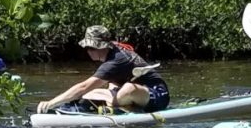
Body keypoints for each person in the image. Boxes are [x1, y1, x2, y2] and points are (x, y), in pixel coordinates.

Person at [36, 25, 171, 115]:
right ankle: (107, 105)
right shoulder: (112, 50)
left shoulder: (116, 60)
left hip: (157, 95)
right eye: (87, 48)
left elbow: (83, 86)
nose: (88, 51)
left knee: (121, 90)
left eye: (91, 48)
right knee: (102, 90)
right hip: (137, 92)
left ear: (102, 47)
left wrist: (51, 103)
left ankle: (114, 107)